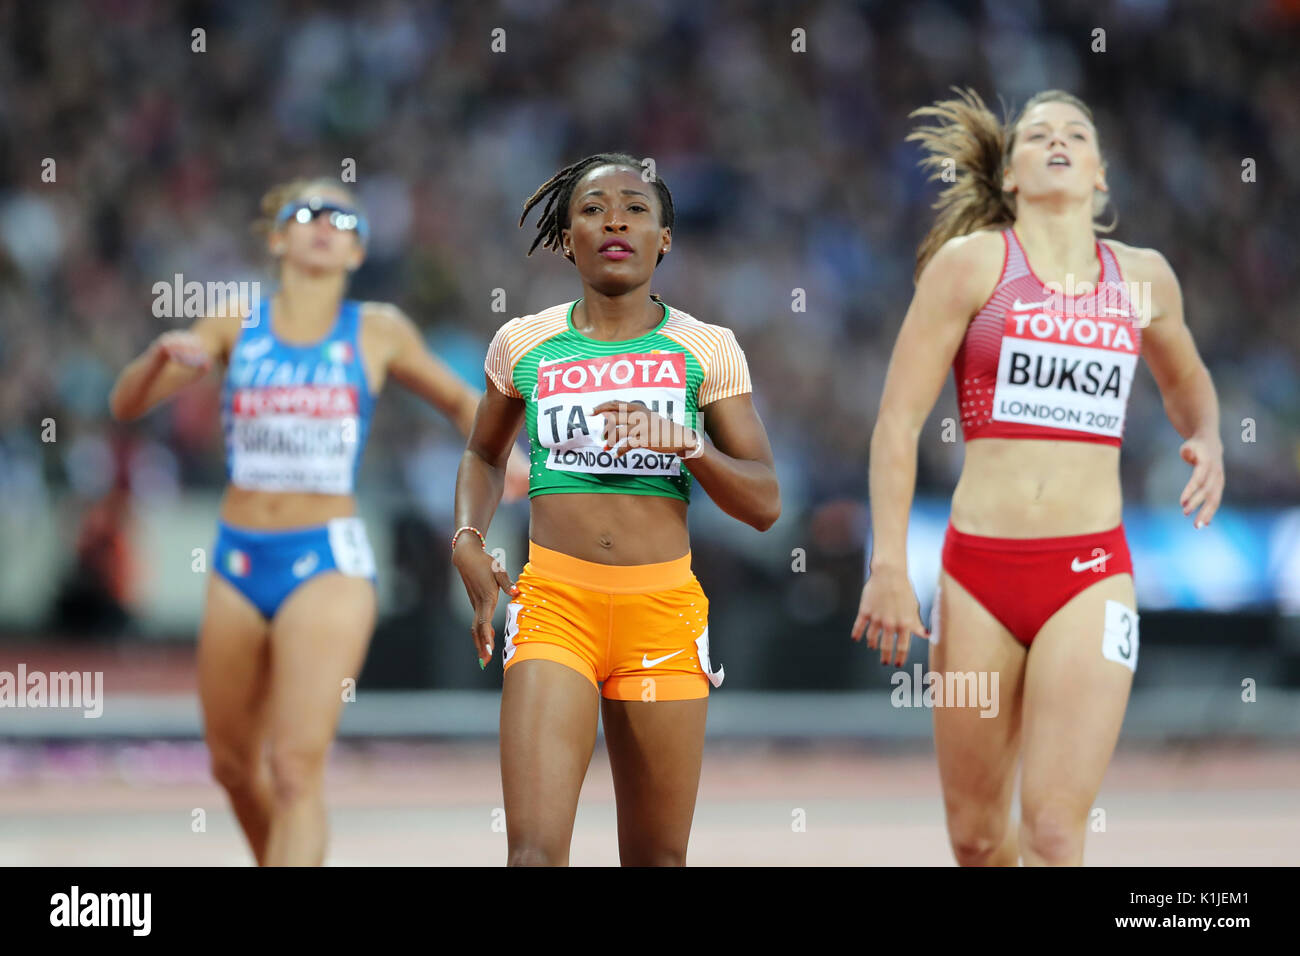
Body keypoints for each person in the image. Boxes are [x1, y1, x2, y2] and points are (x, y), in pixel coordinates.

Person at [851, 90, 1224, 866]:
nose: (1058, 141)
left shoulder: (1143, 278)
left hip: (1091, 575)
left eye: (1077, 133)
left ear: (1100, 174)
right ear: (1012, 175)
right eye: (1038, 135)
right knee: (979, 838)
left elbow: (1186, 379)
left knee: (1055, 832)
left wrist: (1210, 437)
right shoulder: (971, 266)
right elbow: (896, 423)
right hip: (976, 580)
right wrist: (888, 563)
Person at [109, 178, 528, 865]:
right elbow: (126, 405)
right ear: (278, 238)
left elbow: (459, 397)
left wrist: (500, 457)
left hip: (327, 561)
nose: (323, 223)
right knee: (232, 767)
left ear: (358, 249)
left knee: (295, 768)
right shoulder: (234, 319)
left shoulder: (377, 329)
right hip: (239, 559)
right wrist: (159, 356)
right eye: (305, 213)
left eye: (341, 216)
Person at [451, 152, 780, 866]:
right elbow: (482, 454)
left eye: (635, 208)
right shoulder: (524, 342)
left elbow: (764, 502)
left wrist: (689, 443)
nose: (615, 221)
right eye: (593, 210)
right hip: (554, 606)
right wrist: (467, 538)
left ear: (665, 238)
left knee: (656, 860)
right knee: (533, 856)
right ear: (567, 239)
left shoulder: (707, 349)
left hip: (661, 613)